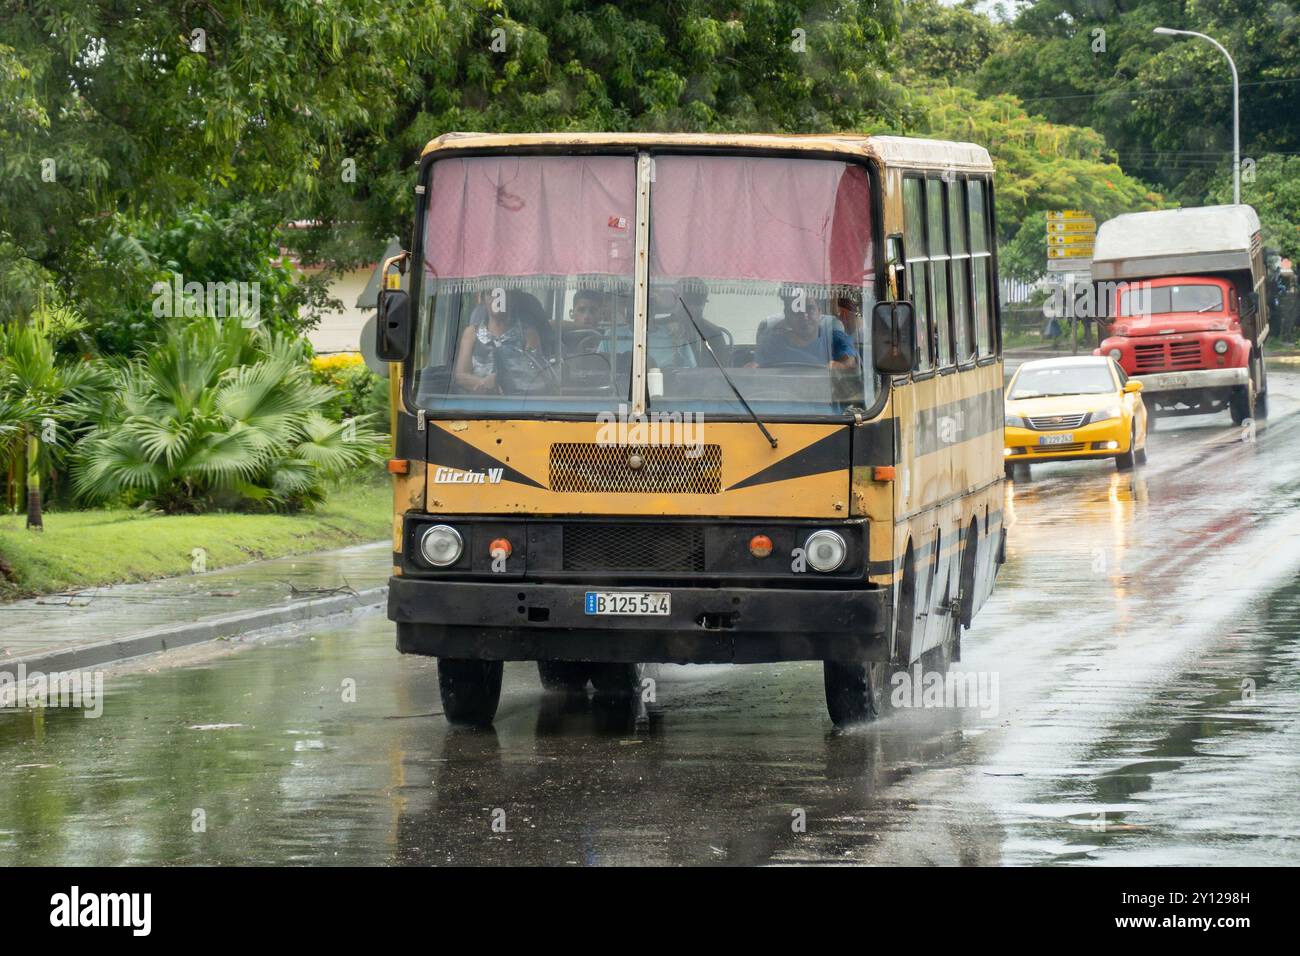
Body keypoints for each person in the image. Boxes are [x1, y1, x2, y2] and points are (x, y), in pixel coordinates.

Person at [453, 290, 543, 394]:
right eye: (489, 293)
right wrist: (483, 383)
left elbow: (536, 377)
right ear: (483, 300)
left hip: (518, 403)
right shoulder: (472, 333)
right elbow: (461, 375)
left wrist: (505, 380)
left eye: (502, 293)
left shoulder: (528, 334)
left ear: (512, 299)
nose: (496, 298)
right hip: (477, 404)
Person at [755, 290, 858, 368]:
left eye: (810, 309)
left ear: (819, 312)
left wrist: (838, 366)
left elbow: (850, 363)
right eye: (797, 310)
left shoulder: (835, 338)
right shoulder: (772, 344)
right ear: (787, 315)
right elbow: (756, 367)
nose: (804, 316)